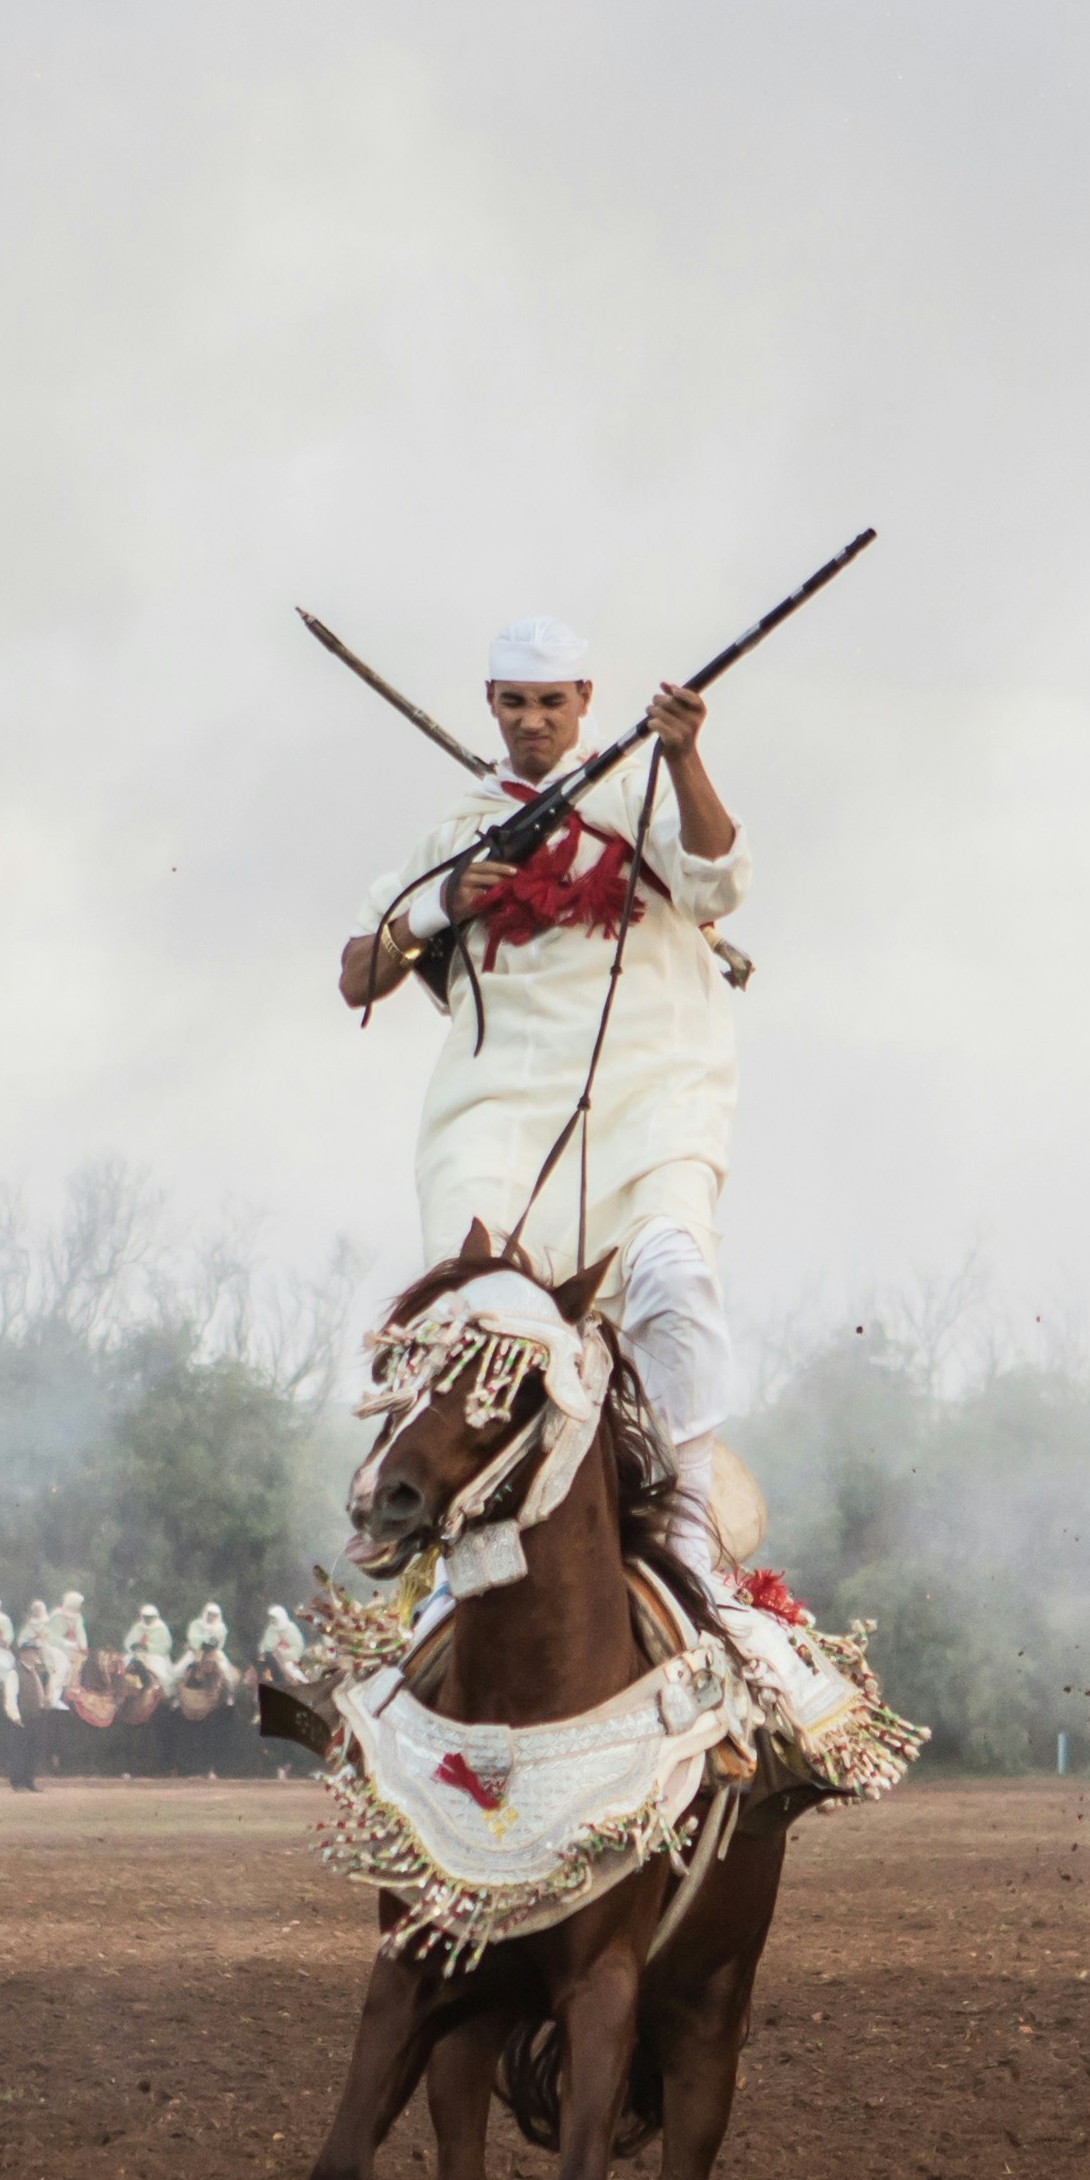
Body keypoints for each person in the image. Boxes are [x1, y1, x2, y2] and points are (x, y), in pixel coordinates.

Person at [337, 614, 750, 1592]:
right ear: (490, 704)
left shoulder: (637, 792)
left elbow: (716, 880)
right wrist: (442, 906)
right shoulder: (455, 831)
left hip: (647, 1104)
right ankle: (451, 1573)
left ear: (584, 705)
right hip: (497, 1116)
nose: (532, 721)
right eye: (514, 703)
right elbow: (359, 975)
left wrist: (685, 756)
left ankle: (690, 1538)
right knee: (479, 1328)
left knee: (677, 1283)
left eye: (550, 704)